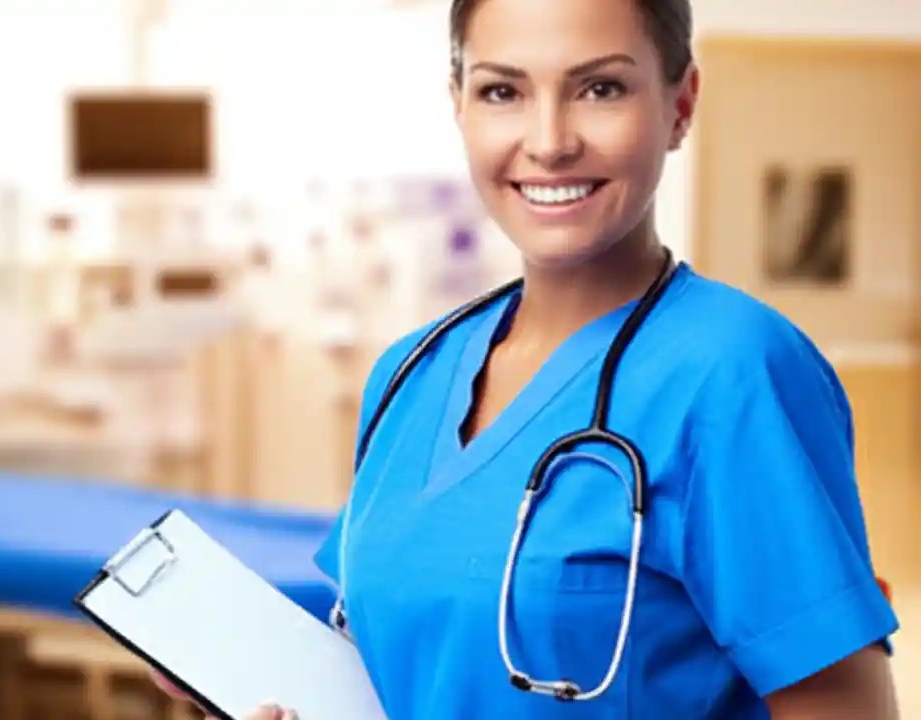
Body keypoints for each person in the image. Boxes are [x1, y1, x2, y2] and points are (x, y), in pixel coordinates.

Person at [154, 0, 902, 716]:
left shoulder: (735, 372)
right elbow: (405, 665)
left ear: (680, 105)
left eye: (600, 88)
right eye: (503, 91)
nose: (549, 141)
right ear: (459, 106)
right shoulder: (411, 373)